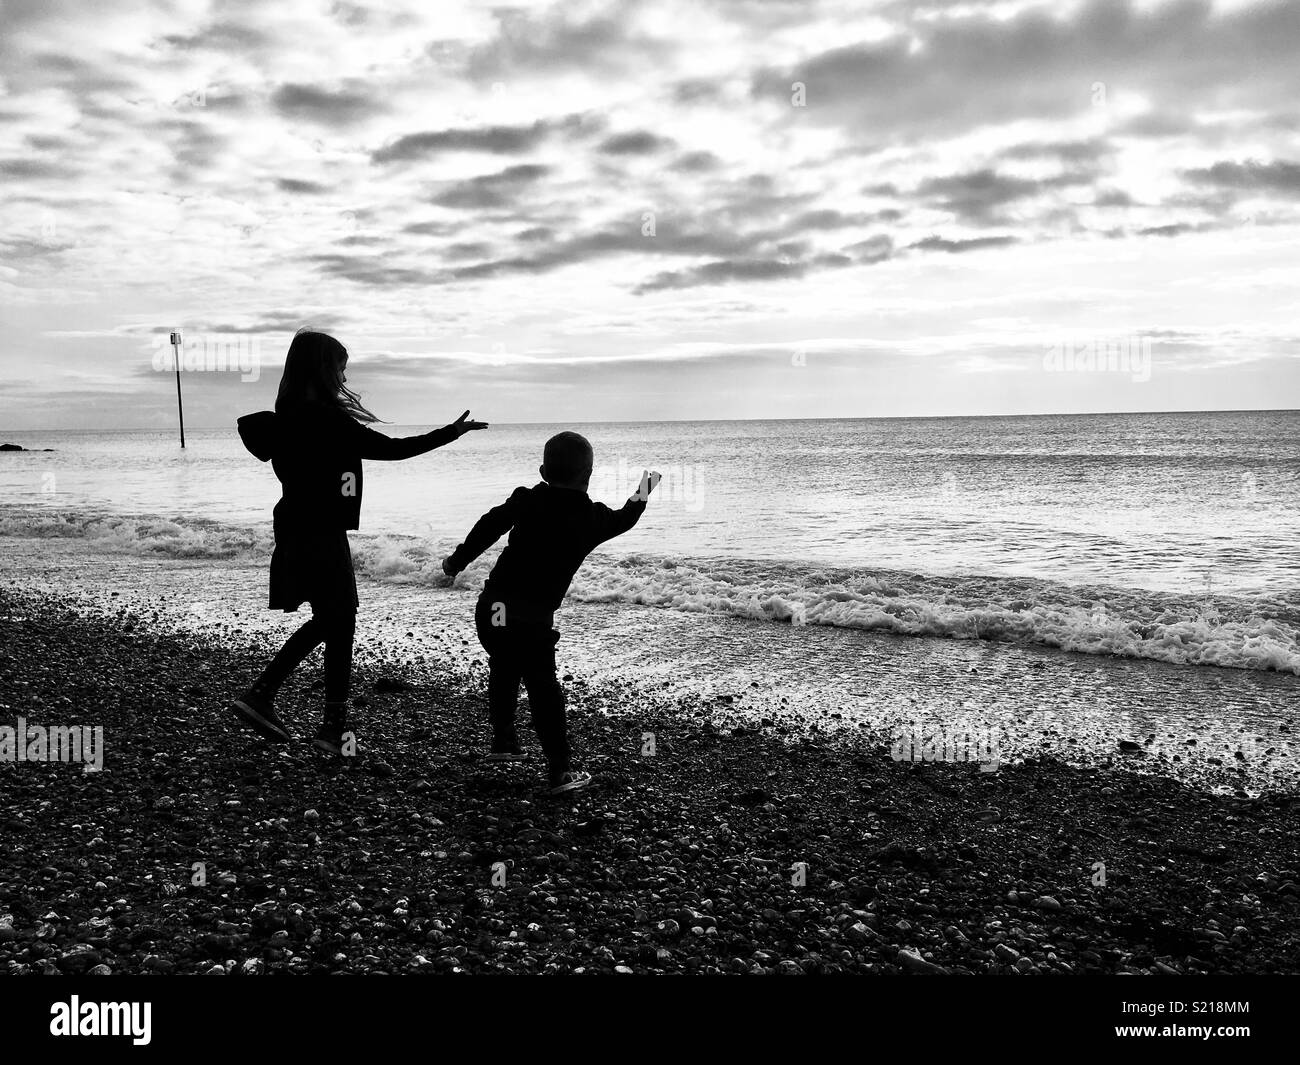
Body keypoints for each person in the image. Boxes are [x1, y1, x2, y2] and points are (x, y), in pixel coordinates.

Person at [231, 329, 486, 754]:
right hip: (320, 530)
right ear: (322, 369)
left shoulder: (288, 415)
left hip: (296, 525)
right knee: (337, 618)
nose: (344, 378)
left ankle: (307, 716)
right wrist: (450, 433)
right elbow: (392, 449)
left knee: (334, 619)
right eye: (340, 368)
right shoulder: (325, 419)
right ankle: (281, 704)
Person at [441, 431, 659, 794]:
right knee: (543, 687)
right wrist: (645, 488)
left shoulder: (527, 499)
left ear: (543, 471)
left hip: (493, 610)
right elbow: (627, 517)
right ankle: (560, 771)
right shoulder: (592, 518)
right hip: (532, 621)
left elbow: (488, 526)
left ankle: (504, 739)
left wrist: (456, 562)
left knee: (505, 662)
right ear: (589, 474)